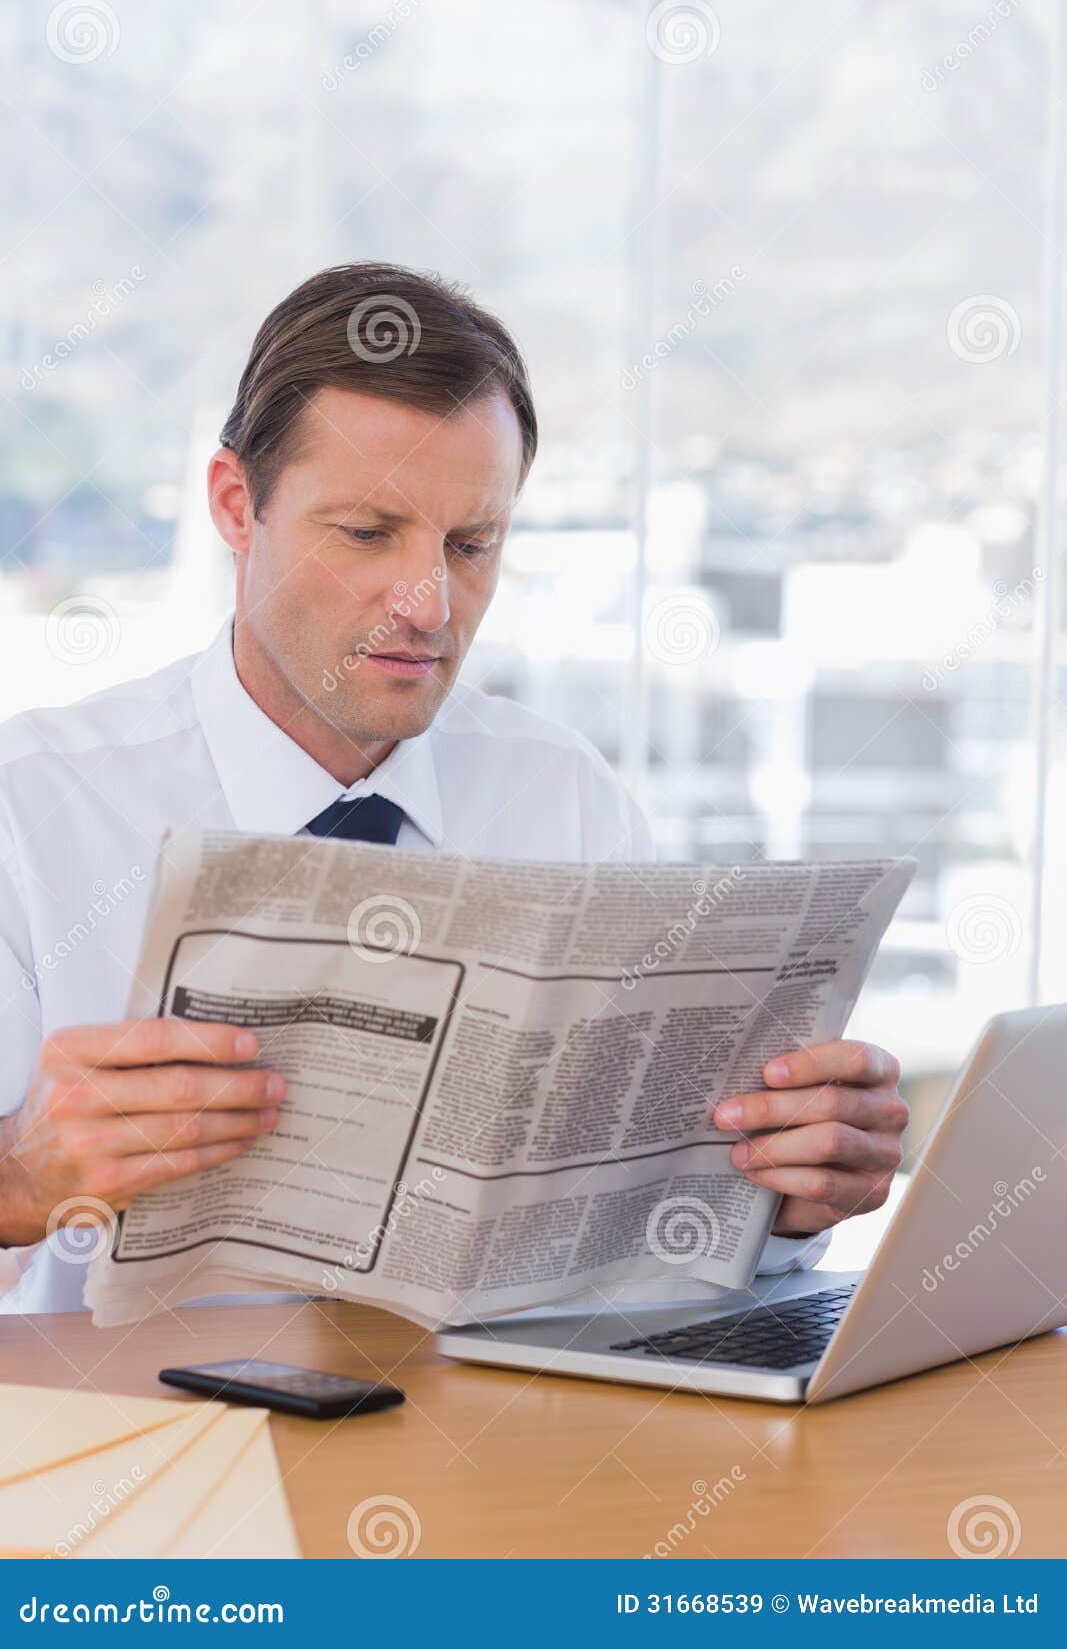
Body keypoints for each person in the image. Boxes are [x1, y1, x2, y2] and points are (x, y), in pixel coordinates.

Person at [0, 262, 907, 1314]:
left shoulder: (566, 797)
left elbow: (653, 1247)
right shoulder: (31, 811)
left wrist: (784, 1194)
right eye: (365, 534)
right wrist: (23, 1179)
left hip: (496, 1439)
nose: (428, 603)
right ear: (235, 504)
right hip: (142, 1441)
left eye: (471, 545)